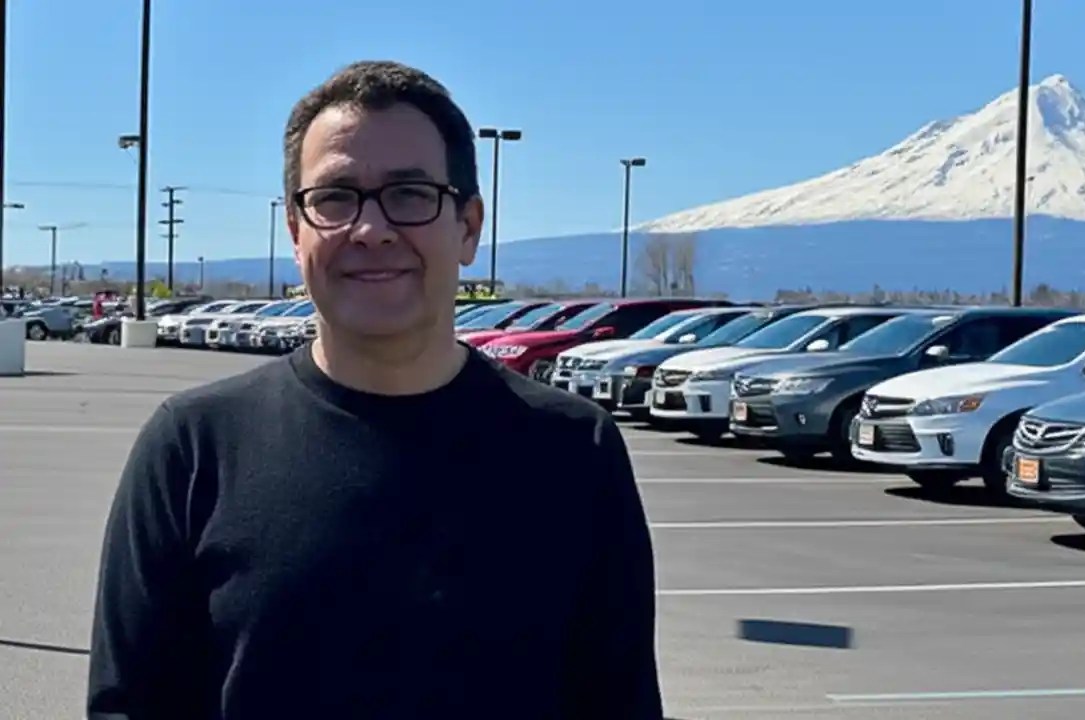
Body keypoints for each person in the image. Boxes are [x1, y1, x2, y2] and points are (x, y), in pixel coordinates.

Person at [87, 60, 663, 719]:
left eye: (411, 194)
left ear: (468, 226)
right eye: (335, 198)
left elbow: (619, 701)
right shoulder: (194, 447)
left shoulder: (572, 449)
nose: (371, 228)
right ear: (295, 228)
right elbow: (126, 704)